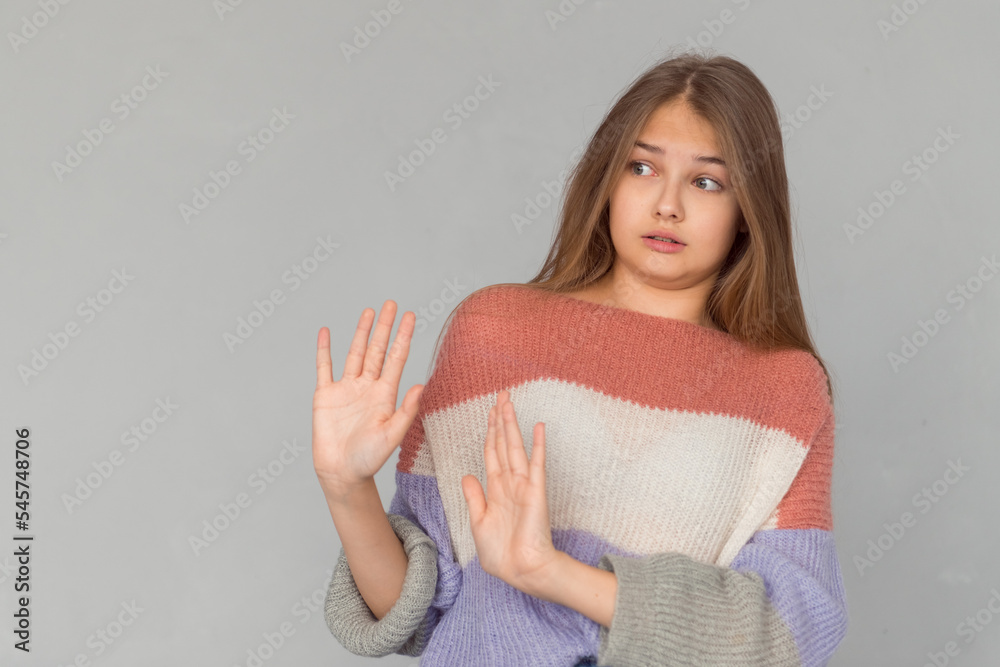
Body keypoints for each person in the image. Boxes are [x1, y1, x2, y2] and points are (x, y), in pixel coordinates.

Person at [313, 48, 849, 666]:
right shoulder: (497, 334)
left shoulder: (783, 390)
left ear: (748, 211)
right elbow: (417, 612)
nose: (667, 204)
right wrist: (346, 487)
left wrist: (551, 572)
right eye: (642, 168)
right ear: (607, 179)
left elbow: (783, 633)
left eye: (707, 181)